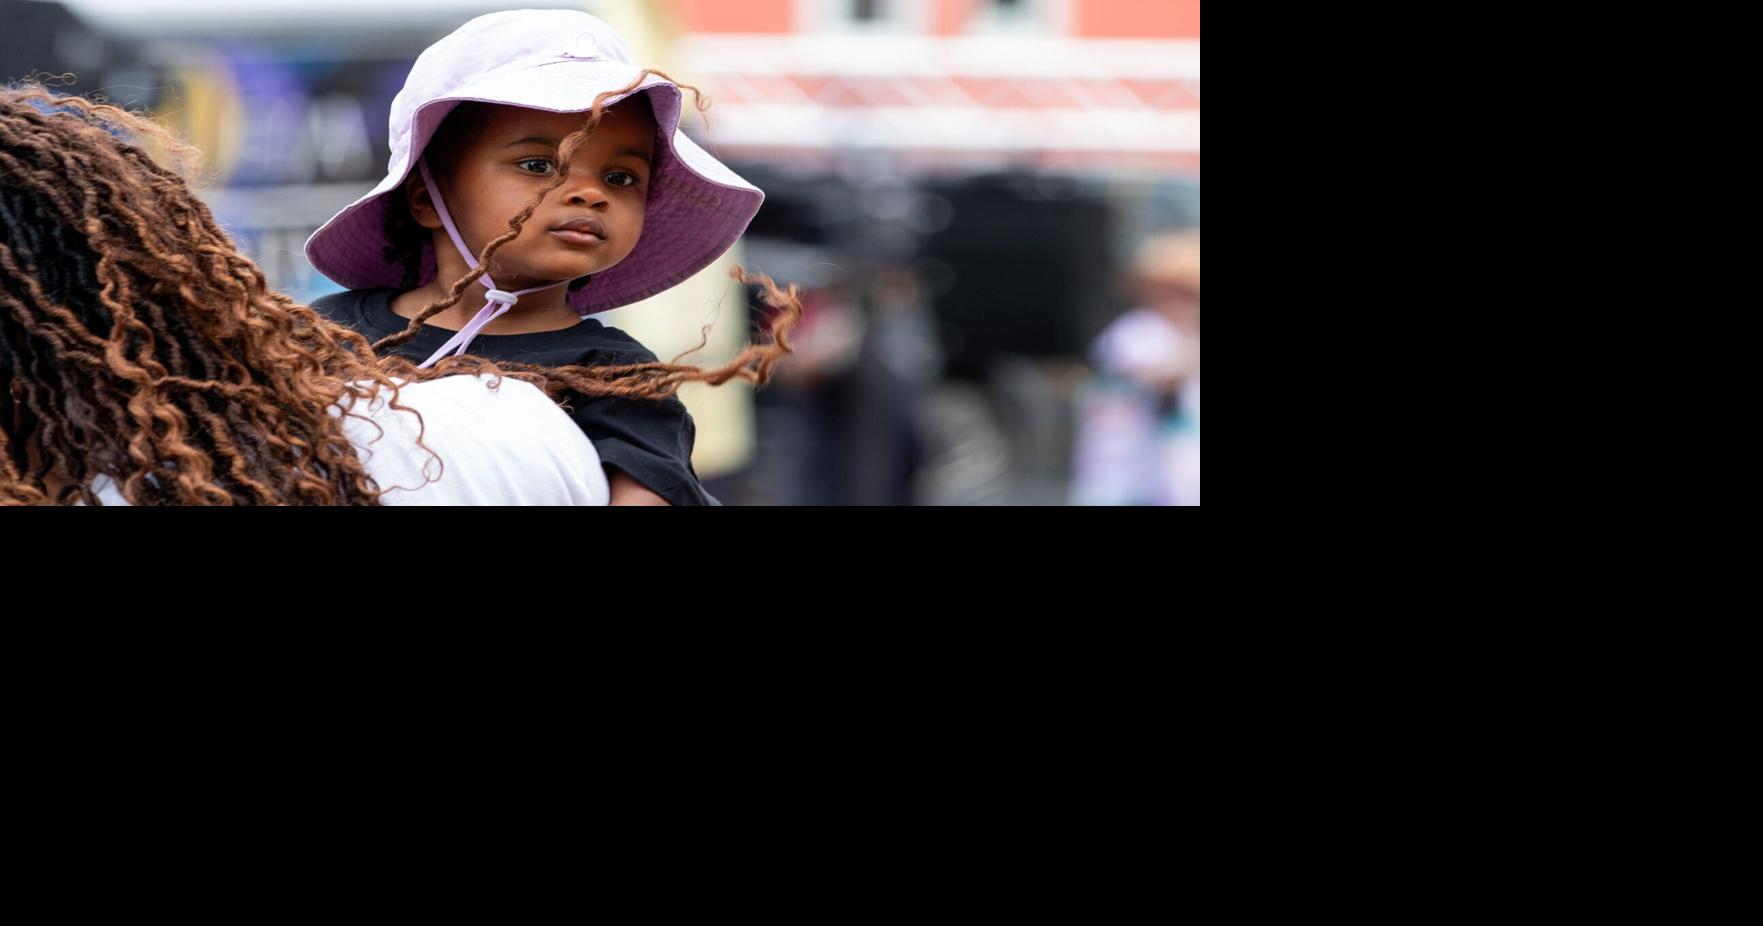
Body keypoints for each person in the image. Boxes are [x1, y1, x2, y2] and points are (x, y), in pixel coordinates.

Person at [307, 10, 782, 506]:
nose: (590, 194)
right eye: (538, 165)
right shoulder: (322, 336)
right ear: (427, 197)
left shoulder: (617, 376)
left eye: (620, 178)